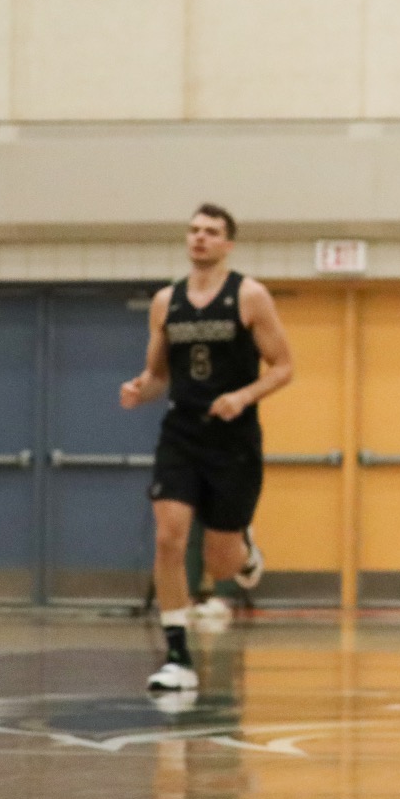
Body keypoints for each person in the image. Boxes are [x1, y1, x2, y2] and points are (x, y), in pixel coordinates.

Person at [121, 204, 293, 694]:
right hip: (181, 433)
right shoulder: (165, 302)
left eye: (210, 232)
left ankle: (244, 552)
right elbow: (158, 375)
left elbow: (284, 367)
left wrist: (241, 396)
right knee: (169, 539)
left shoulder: (250, 296)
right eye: (194, 230)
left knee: (220, 564)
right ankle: (177, 657)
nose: (199, 238)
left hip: (233, 440)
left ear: (227, 244)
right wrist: (140, 388)